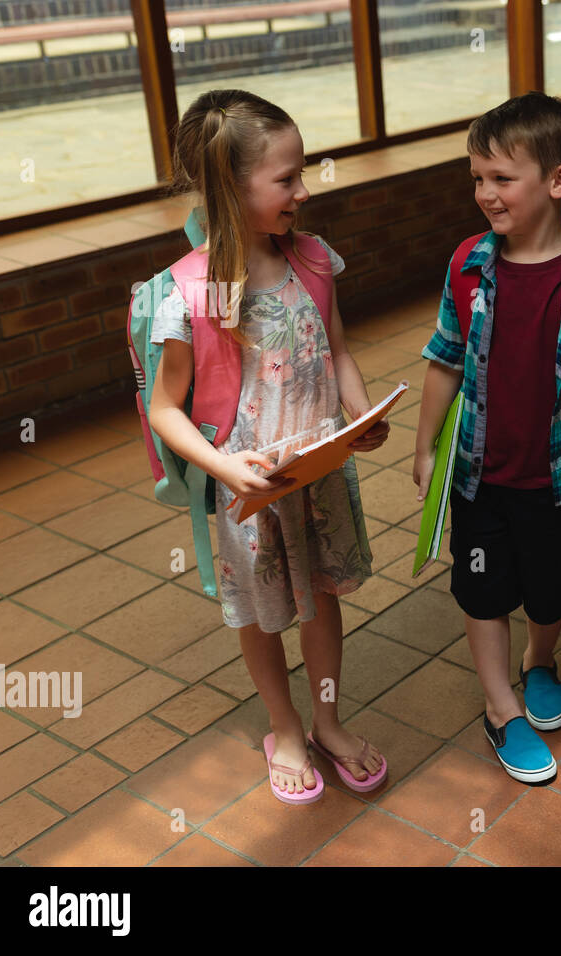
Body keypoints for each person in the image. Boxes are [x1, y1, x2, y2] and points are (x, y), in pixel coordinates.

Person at [148, 89, 388, 804]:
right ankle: (283, 726)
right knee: (262, 614)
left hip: (316, 474)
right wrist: (226, 468)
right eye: (287, 179)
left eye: (302, 171)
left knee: (321, 599)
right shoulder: (199, 293)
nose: (303, 191)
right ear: (230, 187)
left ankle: (327, 719)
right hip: (248, 490)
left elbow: (338, 349)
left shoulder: (311, 260)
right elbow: (166, 408)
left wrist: (359, 409)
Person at [414, 91, 561, 784]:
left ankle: (540, 660)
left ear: (558, 181)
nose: (484, 193)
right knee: (482, 591)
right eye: (476, 178)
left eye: (500, 178)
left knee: (552, 590)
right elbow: (444, 360)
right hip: (479, 477)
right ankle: (501, 708)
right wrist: (427, 448)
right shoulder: (466, 265)